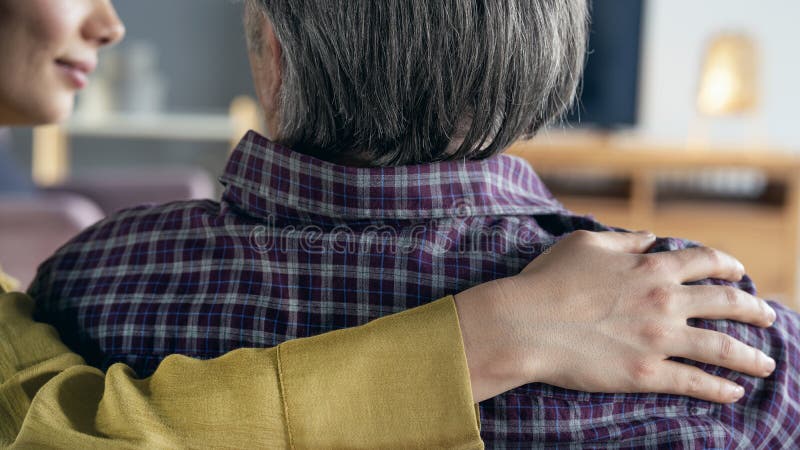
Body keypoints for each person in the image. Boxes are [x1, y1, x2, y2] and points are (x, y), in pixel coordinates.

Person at [0, 0, 786, 448]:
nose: (111, 23)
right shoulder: (722, 333)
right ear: (548, 52)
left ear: (275, 53)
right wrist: (495, 331)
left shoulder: (86, 286)